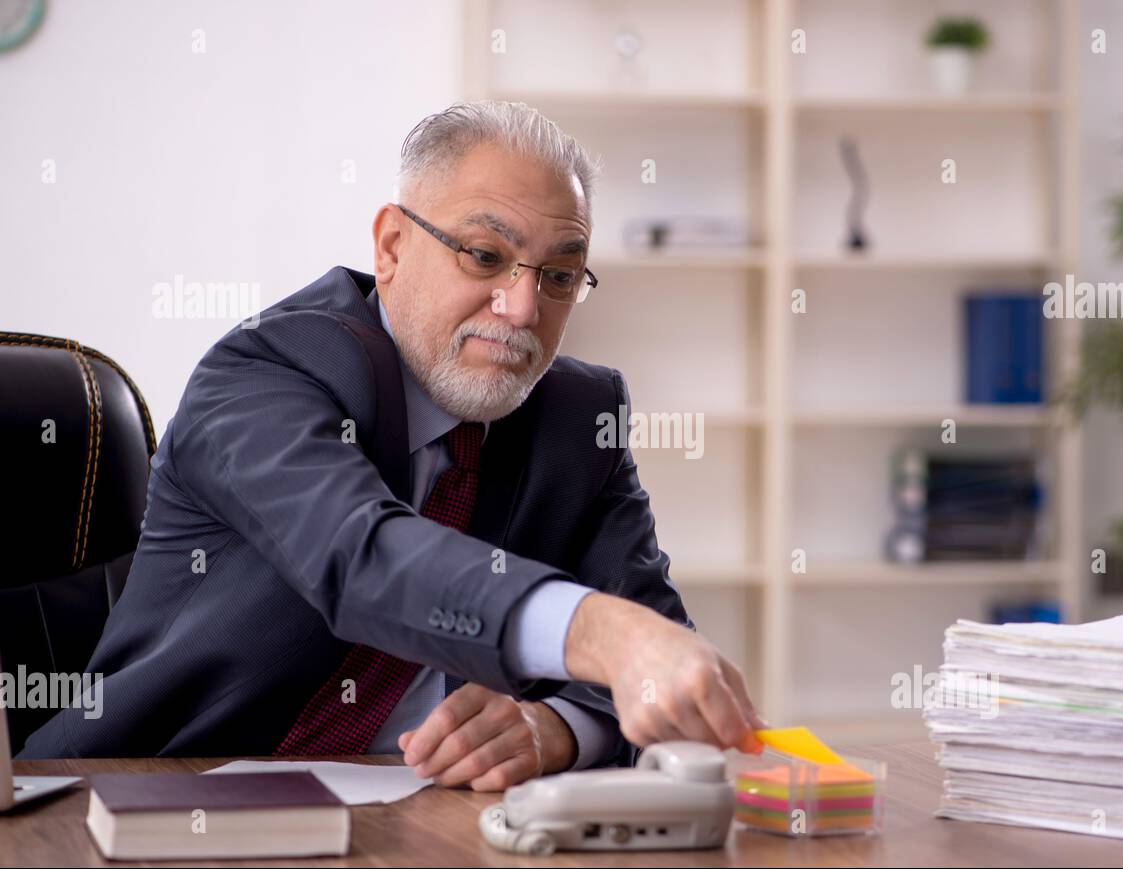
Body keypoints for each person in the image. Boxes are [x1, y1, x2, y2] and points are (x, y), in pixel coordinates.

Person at [18, 101, 764, 790]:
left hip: (418, 825)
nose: (523, 306)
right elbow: (360, 556)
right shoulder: (262, 373)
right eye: (484, 255)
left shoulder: (580, 416)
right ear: (394, 246)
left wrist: (559, 728)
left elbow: (657, 662)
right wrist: (599, 630)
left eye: (560, 274)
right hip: (141, 802)